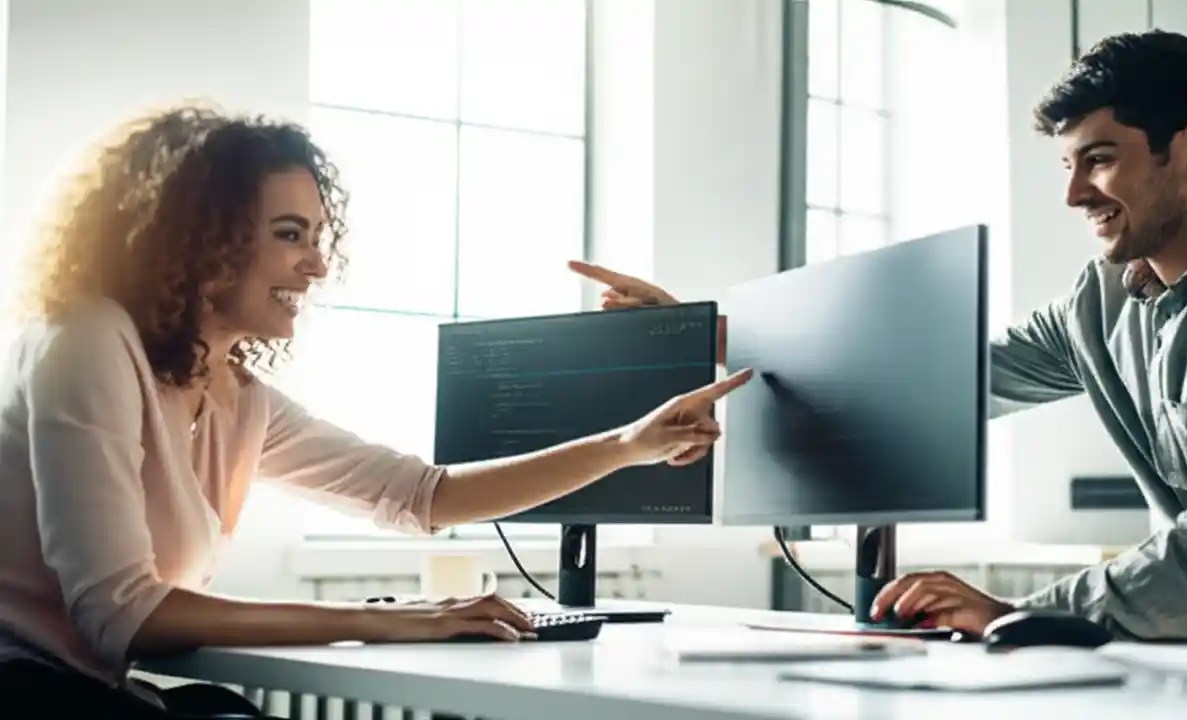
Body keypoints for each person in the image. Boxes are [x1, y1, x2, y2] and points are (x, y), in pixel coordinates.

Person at [0, 104, 752, 719]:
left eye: (319, 238)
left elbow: (426, 496)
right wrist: (391, 618)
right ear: (195, 239)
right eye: (290, 235)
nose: (318, 264)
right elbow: (122, 614)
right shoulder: (87, 339)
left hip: (86, 688)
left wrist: (629, 444)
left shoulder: (236, 395)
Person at [571, 29, 1187, 641]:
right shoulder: (1098, 304)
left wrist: (1021, 614)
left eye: (1099, 159)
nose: (1072, 195)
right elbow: (927, 385)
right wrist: (705, 335)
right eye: (1068, 166)